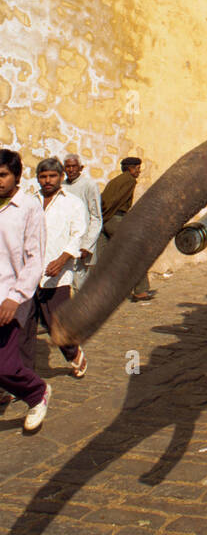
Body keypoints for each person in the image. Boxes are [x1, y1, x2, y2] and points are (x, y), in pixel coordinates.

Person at [22, 157, 88, 377]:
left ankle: (74, 353)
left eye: (52, 176)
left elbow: (78, 235)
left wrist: (61, 260)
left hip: (58, 275)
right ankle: (22, 376)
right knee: (25, 328)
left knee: (55, 324)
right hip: (29, 273)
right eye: (43, 176)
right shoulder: (30, 202)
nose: (47, 180)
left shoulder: (73, 203)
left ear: (61, 177)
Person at [0, 149, 51, 432]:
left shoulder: (29, 207)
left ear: (16, 176)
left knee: (5, 366)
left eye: (3, 175)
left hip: (9, 296)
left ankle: (37, 393)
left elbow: (35, 259)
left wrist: (16, 298)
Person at [101, 156, 154, 302]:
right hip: (115, 219)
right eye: (137, 168)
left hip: (107, 221)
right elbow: (114, 202)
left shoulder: (116, 180)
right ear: (130, 169)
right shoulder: (129, 181)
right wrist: (110, 216)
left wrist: (102, 218)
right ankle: (141, 291)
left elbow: (104, 200)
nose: (139, 171)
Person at [63, 153, 102, 291]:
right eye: (68, 166)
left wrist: (87, 245)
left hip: (82, 243)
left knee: (80, 283)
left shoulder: (89, 185)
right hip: (66, 241)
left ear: (81, 168)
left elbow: (96, 217)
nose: (71, 169)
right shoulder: (62, 187)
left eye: (74, 166)